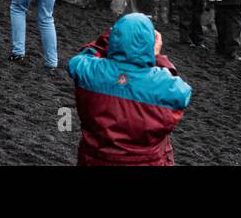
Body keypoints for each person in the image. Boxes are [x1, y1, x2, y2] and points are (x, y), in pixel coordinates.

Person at [66, 13, 192, 165]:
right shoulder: (165, 85)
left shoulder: (91, 72)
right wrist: (157, 58)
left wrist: (107, 39)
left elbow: (81, 58)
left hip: (95, 159)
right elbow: (180, 93)